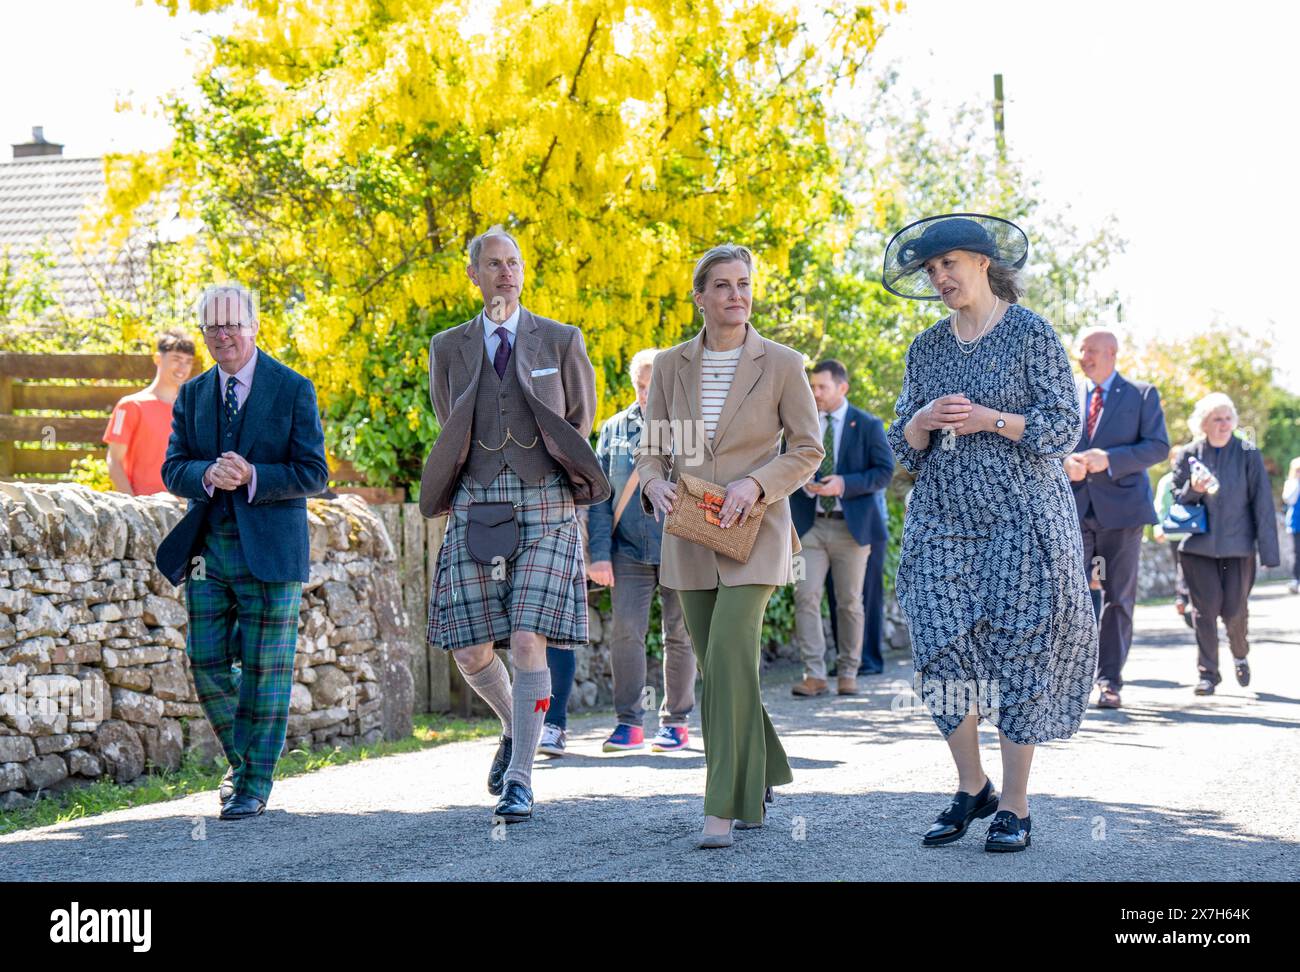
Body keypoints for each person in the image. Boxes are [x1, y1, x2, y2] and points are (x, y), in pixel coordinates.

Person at [883, 213, 1097, 853]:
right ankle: (971, 785)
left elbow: (1063, 428)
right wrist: (920, 420)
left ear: (982, 263)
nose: (940, 276)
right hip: (943, 520)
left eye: (949, 263)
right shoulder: (925, 348)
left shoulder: (1032, 335)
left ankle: (1015, 804)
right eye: (931, 268)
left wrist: (990, 418)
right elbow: (906, 449)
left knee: (1020, 655)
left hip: (1023, 521)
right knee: (940, 647)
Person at [420, 226, 609, 824]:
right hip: (476, 497)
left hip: (546, 498)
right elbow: (446, 413)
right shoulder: (447, 347)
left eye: (514, 262)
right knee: (471, 648)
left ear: (523, 271)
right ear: (473, 275)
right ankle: (511, 724)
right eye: (493, 264)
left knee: (528, 637)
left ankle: (522, 779)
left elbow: (579, 417)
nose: (506, 272)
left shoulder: (559, 339)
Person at [637, 243, 823, 848]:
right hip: (689, 532)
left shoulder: (784, 363)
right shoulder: (668, 366)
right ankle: (763, 768)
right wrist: (655, 483)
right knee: (723, 663)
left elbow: (807, 450)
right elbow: (654, 449)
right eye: (722, 285)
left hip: (757, 531)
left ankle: (726, 805)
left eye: (743, 283)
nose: (736, 294)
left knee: (723, 664)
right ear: (700, 296)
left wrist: (757, 483)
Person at [155, 284, 329, 820]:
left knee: (265, 669)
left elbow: (314, 473)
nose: (224, 335)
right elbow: (172, 467)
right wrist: (205, 473)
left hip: (272, 549)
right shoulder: (192, 393)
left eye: (233, 325)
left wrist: (254, 475)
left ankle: (253, 784)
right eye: (213, 327)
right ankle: (248, 760)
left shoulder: (293, 388)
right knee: (204, 660)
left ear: (254, 326)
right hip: (208, 548)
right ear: (204, 333)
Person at [577, 347, 696, 756]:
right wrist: (599, 553)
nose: (646, 395)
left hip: (681, 546)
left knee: (679, 634)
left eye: (654, 385)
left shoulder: (690, 426)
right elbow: (598, 498)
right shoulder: (612, 429)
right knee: (626, 633)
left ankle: (676, 722)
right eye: (641, 386)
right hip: (628, 549)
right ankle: (628, 722)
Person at [1063, 328, 1169, 709]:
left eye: (1089, 350)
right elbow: (1044, 443)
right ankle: (1074, 679)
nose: (1082, 356)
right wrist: (1064, 463)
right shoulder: (1066, 393)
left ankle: (1109, 681)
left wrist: (1111, 460)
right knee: (1074, 597)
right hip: (1074, 511)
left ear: (1111, 353)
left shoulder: (1142, 395)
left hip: (1122, 515)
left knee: (1116, 598)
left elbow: (1158, 446)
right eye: (1080, 350)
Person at [789, 359, 894, 696]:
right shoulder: (800, 424)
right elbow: (785, 463)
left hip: (852, 530)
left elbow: (884, 472)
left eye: (822, 387)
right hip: (809, 528)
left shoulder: (867, 424)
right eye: (813, 386)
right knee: (805, 596)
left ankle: (849, 670)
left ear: (842, 388)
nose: (815, 393)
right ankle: (815, 674)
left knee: (850, 602)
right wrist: (803, 482)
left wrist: (844, 484)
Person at [1171, 394, 1280, 695]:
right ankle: (1208, 674)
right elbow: (1177, 502)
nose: (1224, 424)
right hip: (1198, 549)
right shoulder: (1188, 454)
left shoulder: (1247, 452)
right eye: (1217, 419)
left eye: (1228, 418)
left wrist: (1269, 552)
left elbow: (1262, 503)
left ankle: (1240, 653)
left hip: (1238, 548)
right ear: (1203, 423)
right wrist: (1193, 490)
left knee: (1234, 612)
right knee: (1204, 613)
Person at [103, 329, 196, 495]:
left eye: (188, 361)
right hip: (144, 507)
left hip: (181, 508)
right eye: (177, 359)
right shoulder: (129, 406)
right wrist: (134, 506)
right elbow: (114, 461)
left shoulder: (192, 410)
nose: (183, 367)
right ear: (158, 359)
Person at [1153, 445, 1193, 626]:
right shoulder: (1167, 481)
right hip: (1181, 532)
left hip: (1188, 532)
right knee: (1184, 566)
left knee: (1183, 566)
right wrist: (1159, 527)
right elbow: (1160, 506)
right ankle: (1184, 598)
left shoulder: (1193, 478)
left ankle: (1184, 597)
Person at [1284, 457, 1300, 595]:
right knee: (1296, 553)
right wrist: (1297, 482)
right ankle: (1296, 580)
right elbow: (1289, 499)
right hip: (1296, 524)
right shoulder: (1291, 484)